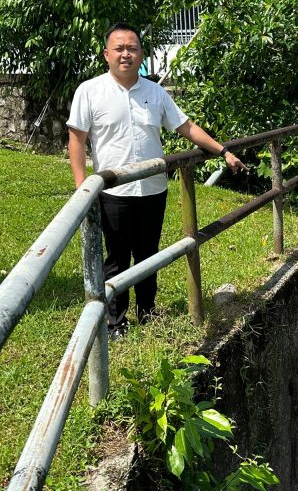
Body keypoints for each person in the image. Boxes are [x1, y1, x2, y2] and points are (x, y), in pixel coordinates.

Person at [67, 22, 245, 337]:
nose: (126, 54)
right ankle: (116, 321)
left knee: (149, 253)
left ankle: (148, 313)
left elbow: (185, 127)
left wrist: (223, 151)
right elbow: (77, 141)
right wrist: (83, 188)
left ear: (141, 54)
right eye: (119, 48)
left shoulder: (154, 92)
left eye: (132, 48)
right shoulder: (90, 91)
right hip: (113, 193)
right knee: (117, 259)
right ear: (106, 54)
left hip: (153, 189)